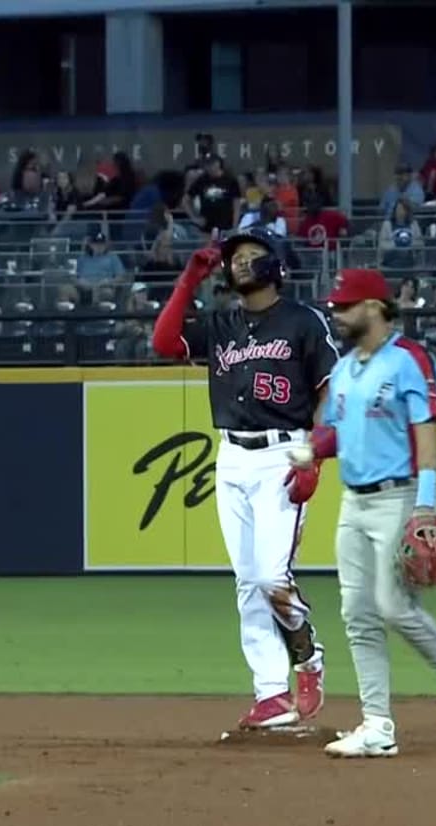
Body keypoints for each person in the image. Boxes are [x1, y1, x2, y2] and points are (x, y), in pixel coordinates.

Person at [290, 269, 436, 758]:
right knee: (357, 613)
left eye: (344, 305)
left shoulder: (409, 360)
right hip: (353, 502)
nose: (336, 314)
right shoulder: (343, 370)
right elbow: (337, 430)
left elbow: (427, 434)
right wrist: (312, 448)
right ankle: (377, 724)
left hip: (399, 498)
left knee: (394, 606)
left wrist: (426, 502)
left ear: (375, 307)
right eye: (334, 306)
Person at [149, 226, 338, 730]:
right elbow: (164, 341)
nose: (239, 263)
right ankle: (271, 692)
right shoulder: (222, 324)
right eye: (233, 258)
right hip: (231, 456)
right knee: (246, 584)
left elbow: (330, 391)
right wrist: (189, 279)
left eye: (251, 255)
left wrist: (314, 457)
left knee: (270, 577)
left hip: (283, 453)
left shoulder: (302, 320)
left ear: (275, 265)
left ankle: (308, 655)